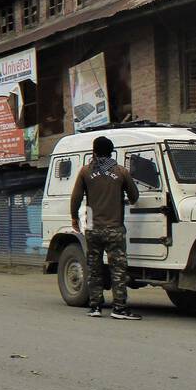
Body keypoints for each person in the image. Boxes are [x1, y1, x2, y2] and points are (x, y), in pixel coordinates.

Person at [71, 134, 140, 319]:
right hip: (114, 228)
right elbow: (134, 196)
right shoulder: (121, 172)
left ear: (93, 151)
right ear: (111, 152)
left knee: (94, 268)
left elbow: (76, 197)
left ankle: (95, 307)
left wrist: (74, 218)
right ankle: (119, 308)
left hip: (93, 228)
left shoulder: (85, 171)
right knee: (118, 269)